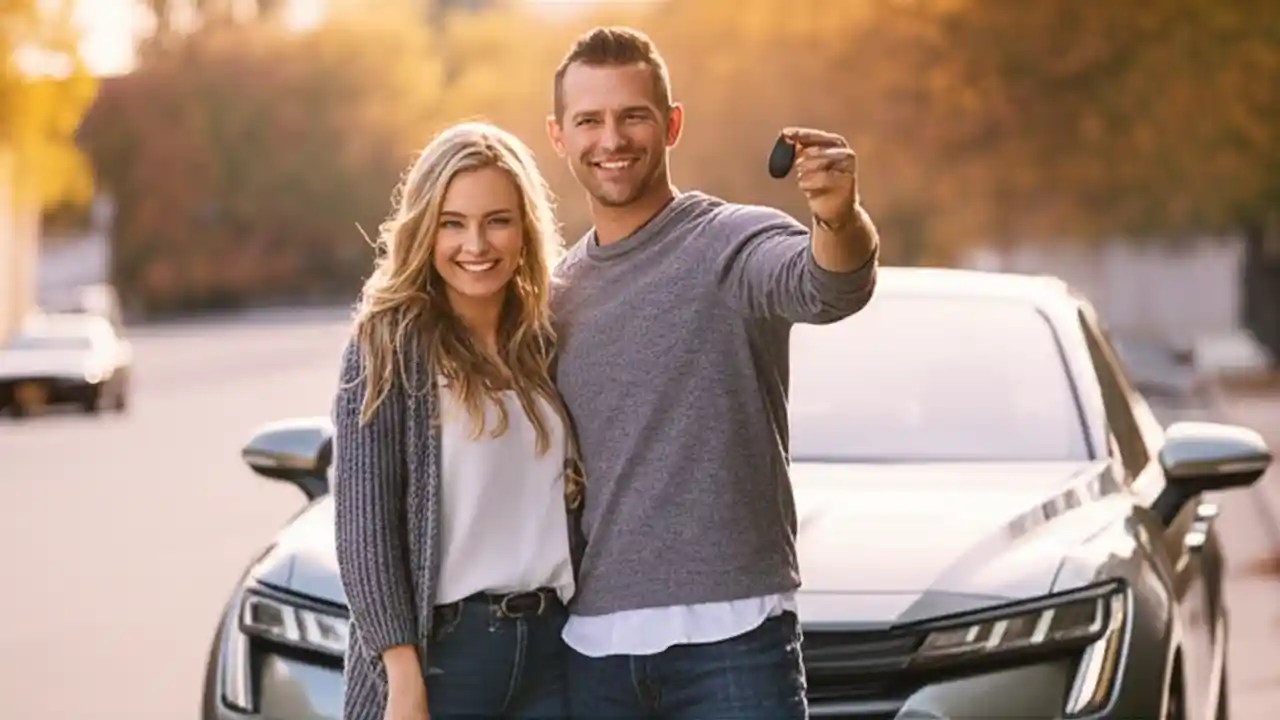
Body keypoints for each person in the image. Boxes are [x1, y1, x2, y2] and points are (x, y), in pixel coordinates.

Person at [544, 26, 880, 718]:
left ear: (670, 124)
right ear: (559, 137)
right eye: (590, 120)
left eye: (632, 115)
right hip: (590, 652)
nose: (612, 138)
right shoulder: (553, 294)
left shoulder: (730, 244)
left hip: (735, 643)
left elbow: (830, 285)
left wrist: (839, 216)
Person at [331, 121, 584, 720]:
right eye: (453, 223)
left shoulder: (546, 342)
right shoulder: (387, 346)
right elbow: (365, 533)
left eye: (497, 219)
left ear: (525, 229)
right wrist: (403, 676)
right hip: (445, 658)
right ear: (425, 229)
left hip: (556, 652)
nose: (477, 243)